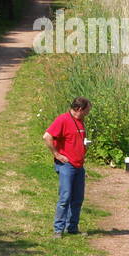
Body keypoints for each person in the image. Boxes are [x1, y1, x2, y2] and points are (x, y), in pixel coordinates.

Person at [42, 97, 90, 237]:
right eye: (87, 110)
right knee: (65, 197)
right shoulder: (63, 120)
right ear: (79, 109)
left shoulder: (80, 121)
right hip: (66, 165)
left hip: (79, 166)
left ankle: (72, 227)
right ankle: (58, 229)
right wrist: (57, 154)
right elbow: (47, 136)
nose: (88, 113)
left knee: (78, 198)